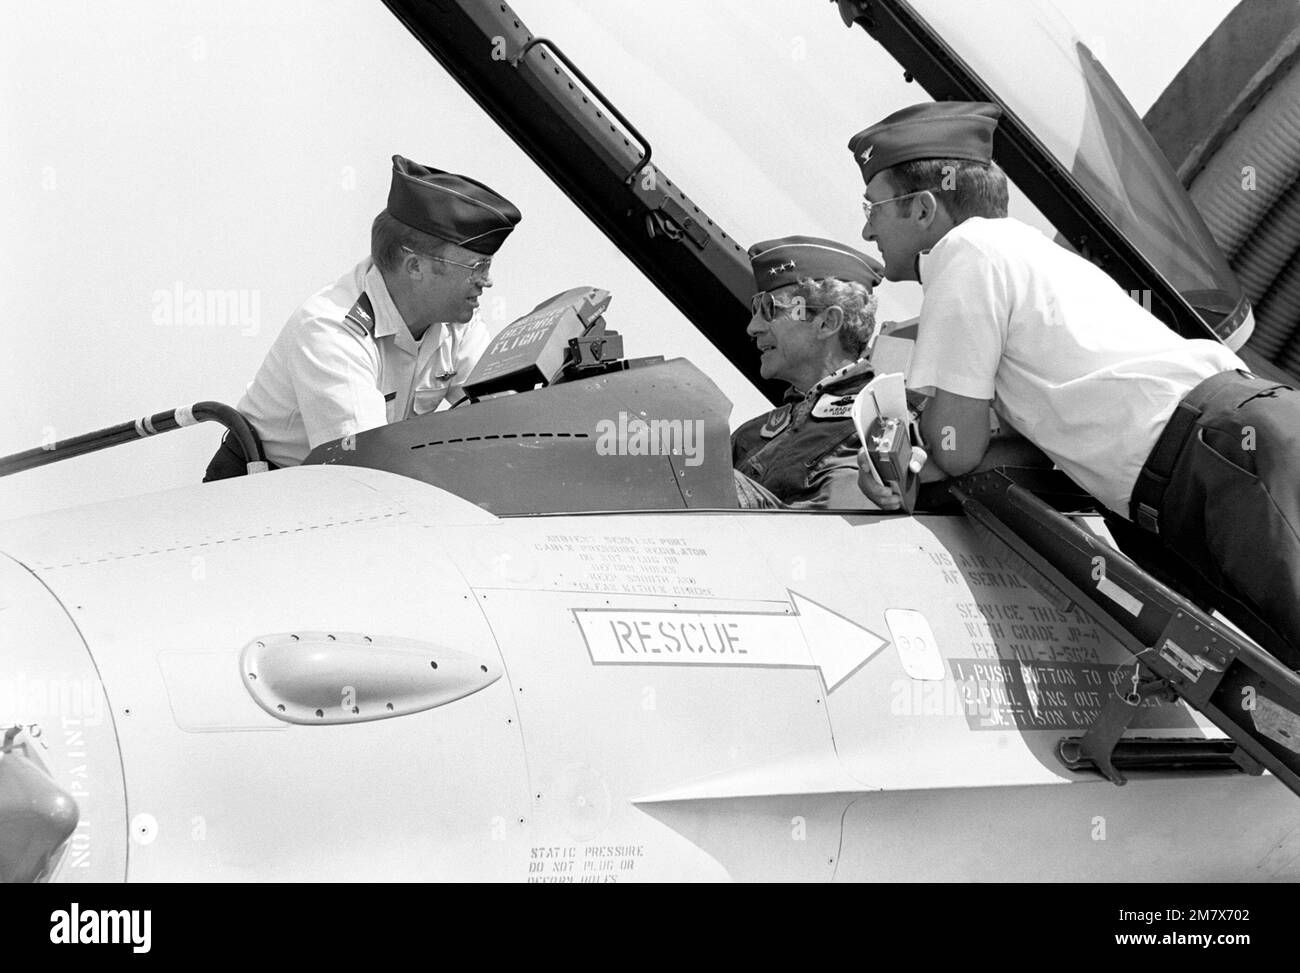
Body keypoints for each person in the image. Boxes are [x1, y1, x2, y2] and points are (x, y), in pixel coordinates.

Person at [847, 100, 1300, 664]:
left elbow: (955, 448)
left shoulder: (964, 254)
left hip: (1225, 460)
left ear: (921, 208)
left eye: (873, 206)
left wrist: (902, 464)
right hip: (1233, 448)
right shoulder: (1025, 251)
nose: (866, 227)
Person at [204, 155, 521, 480]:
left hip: (341, 490)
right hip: (261, 491)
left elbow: (499, 414)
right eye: (476, 267)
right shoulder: (331, 331)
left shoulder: (455, 318)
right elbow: (367, 469)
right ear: (415, 267)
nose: (487, 281)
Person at [731, 235, 884, 509]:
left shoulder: (873, 424)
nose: (752, 327)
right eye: (756, 309)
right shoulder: (750, 434)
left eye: (770, 309)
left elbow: (828, 531)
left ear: (827, 323)